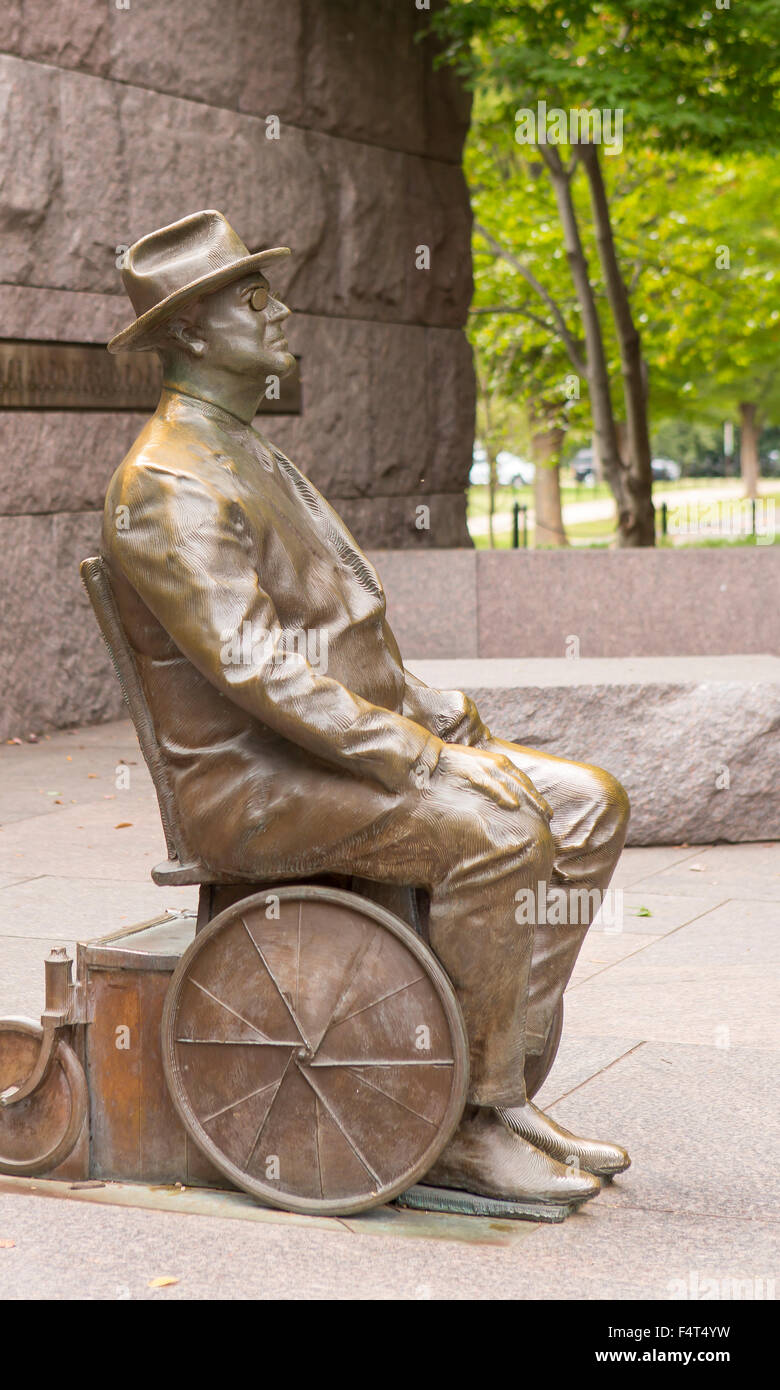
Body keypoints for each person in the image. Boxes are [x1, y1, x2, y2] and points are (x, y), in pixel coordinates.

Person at [102, 210, 631, 1206]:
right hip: (252, 784)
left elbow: (336, 630)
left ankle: (496, 1076)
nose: (280, 310)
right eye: (253, 300)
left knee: (587, 802)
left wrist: (440, 713)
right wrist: (424, 761)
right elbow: (257, 666)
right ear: (194, 332)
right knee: (496, 831)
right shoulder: (164, 480)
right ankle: (470, 1123)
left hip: (332, 754)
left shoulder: (245, 448)